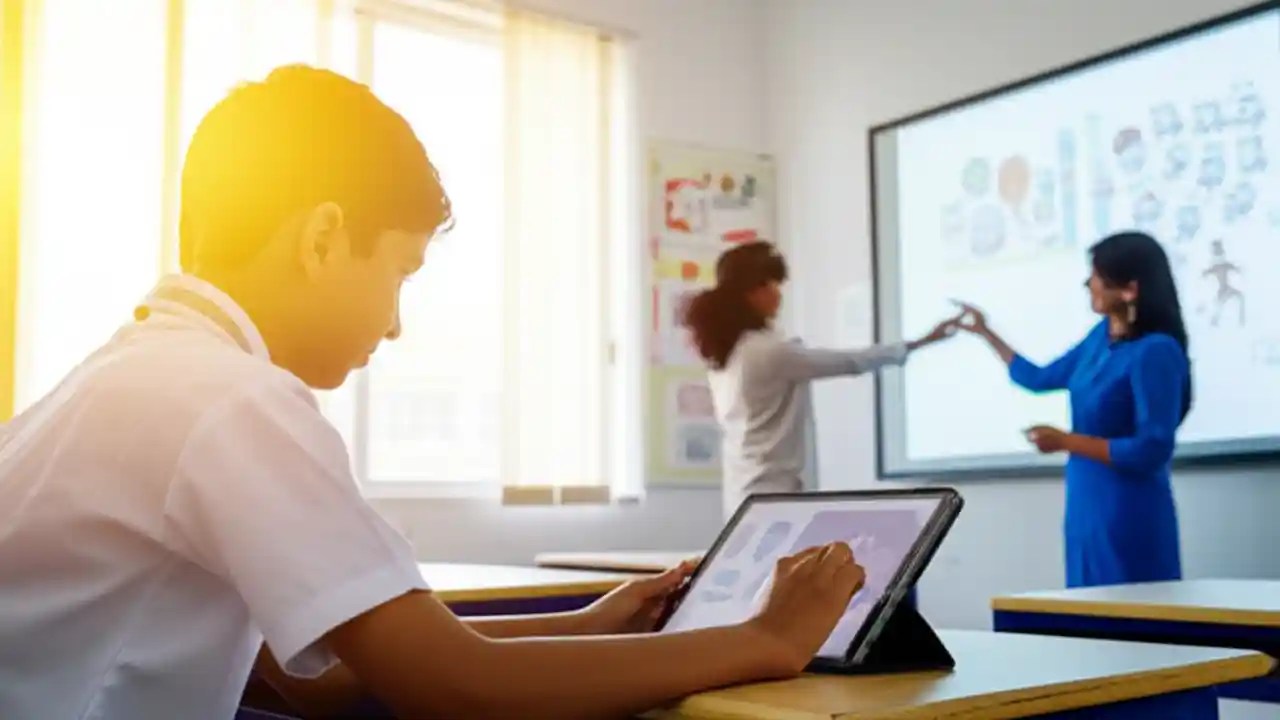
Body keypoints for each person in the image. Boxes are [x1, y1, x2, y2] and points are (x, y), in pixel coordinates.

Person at [0, 66, 867, 720]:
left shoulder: (135, 374)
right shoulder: (228, 399)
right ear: (325, 238)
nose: (395, 324)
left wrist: (595, 622)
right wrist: (767, 640)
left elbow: (335, 677)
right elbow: (452, 685)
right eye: (403, 271)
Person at [955, 230, 1192, 588]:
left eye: (1097, 276)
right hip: (1086, 502)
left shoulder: (1156, 351)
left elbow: (1153, 448)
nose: (1088, 283)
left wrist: (1067, 442)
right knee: (1085, 612)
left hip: (1127, 508)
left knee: (1131, 618)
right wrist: (986, 333)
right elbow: (1038, 377)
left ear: (1129, 288)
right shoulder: (1100, 337)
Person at [683, 241, 960, 518]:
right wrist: (922, 342)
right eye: (771, 285)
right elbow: (852, 362)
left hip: (744, 494)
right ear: (750, 292)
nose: (778, 295)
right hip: (774, 496)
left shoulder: (728, 353)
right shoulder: (768, 351)